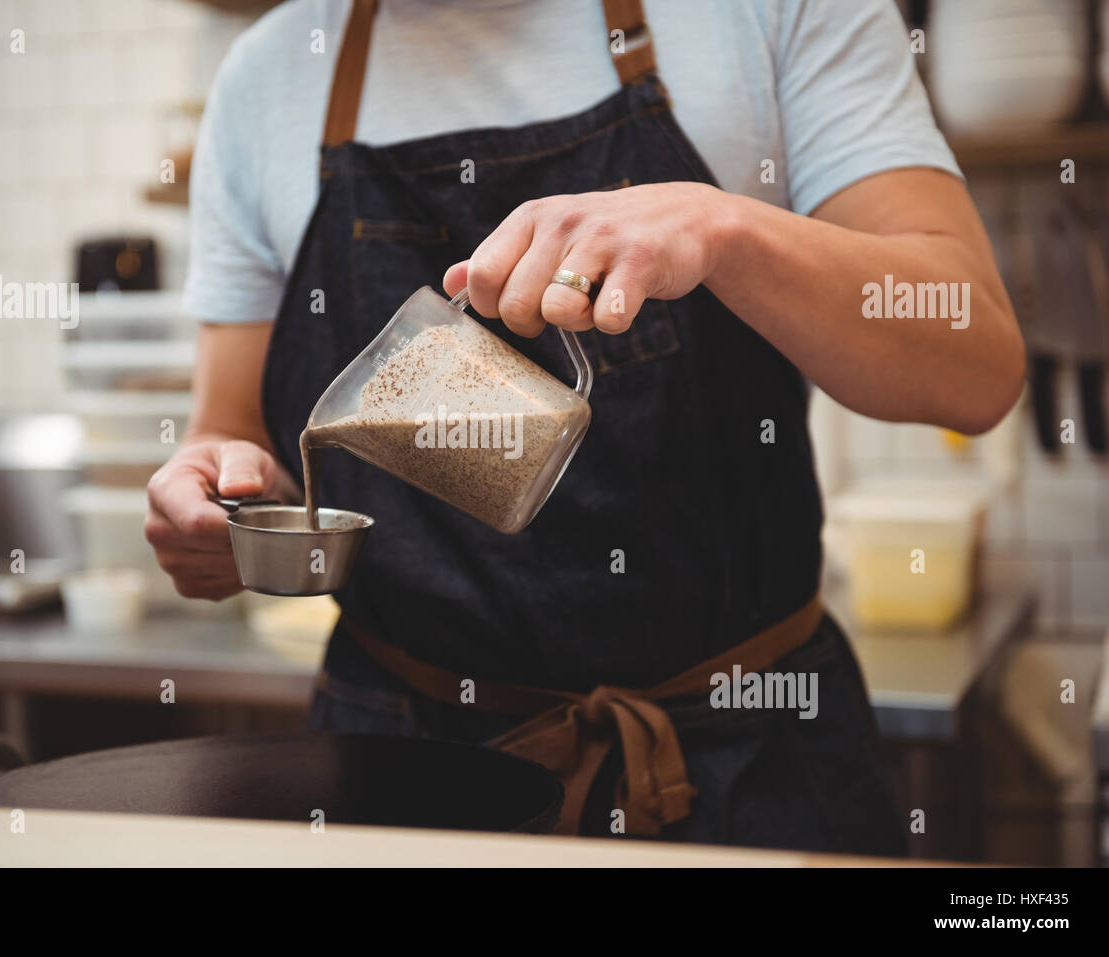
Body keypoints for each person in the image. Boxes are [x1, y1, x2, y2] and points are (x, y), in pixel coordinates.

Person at [146, 0, 1024, 852]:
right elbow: (234, 436)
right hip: (400, 777)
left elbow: (978, 361)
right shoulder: (269, 75)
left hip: (742, 766)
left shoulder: (769, 12)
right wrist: (214, 486)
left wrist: (726, 229)